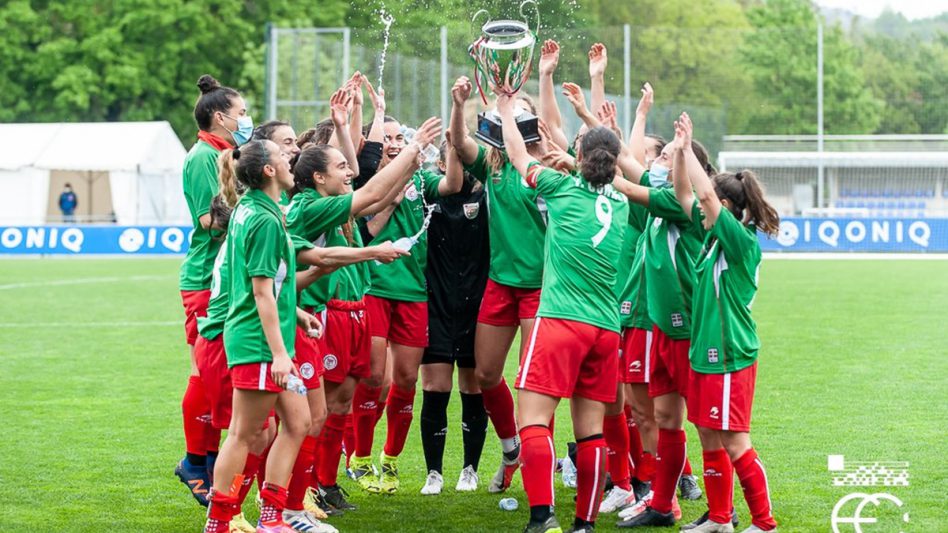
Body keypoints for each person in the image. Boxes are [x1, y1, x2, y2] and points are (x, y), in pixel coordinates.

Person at [287, 111, 448, 502]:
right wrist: (413, 147)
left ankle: (322, 483)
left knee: (338, 404)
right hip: (319, 315)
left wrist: (359, 125)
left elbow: (370, 189)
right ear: (319, 177)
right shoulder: (310, 206)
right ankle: (293, 495)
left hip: (346, 310)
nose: (352, 170)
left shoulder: (331, 201)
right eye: (342, 165)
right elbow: (374, 195)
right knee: (306, 415)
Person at [498, 87, 630, 533]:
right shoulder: (623, 203)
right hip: (606, 329)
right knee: (591, 431)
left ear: (578, 154)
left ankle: (542, 518)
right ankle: (585, 524)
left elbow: (517, 153)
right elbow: (598, 171)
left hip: (560, 320)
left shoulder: (559, 187)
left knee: (532, 420)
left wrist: (503, 108)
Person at [610, 117, 719, 530]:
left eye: (670, 157)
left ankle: (723, 510)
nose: (660, 162)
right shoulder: (662, 198)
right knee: (665, 418)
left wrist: (584, 169)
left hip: (688, 332)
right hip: (660, 328)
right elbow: (628, 162)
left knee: (710, 425)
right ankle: (663, 502)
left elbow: (623, 179)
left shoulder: (680, 205)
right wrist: (595, 120)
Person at [348, 112, 462, 495]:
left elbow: (452, 184)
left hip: (414, 292)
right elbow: (370, 232)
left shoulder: (421, 179)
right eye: (389, 138)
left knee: (407, 379)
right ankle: (360, 457)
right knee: (374, 376)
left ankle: (390, 459)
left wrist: (455, 145)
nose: (395, 143)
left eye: (401, 137)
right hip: (375, 287)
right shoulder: (366, 184)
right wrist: (392, 199)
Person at [676, 113, 780, 533]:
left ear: (729, 210)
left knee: (735, 440)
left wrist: (687, 148)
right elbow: (689, 196)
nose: (702, 211)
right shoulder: (710, 240)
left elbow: (703, 196)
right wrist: (681, 159)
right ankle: (720, 518)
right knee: (708, 435)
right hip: (704, 354)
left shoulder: (740, 241)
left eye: (712, 207)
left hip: (731, 355)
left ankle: (764, 523)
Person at [202, 139, 311, 533]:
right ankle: (218, 521)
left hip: (265, 339)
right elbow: (261, 290)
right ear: (268, 170)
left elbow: (263, 284)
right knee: (244, 434)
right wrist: (280, 354)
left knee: (298, 422)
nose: (290, 158)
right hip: (258, 344)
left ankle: (272, 515)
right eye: (283, 155)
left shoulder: (254, 209)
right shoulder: (263, 218)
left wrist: (295, 314)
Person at [448, 76, 548, 494]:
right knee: (486, 374)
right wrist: (459, 105)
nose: (510, 116)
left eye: (519, 110)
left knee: (533, 381)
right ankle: (512, 451)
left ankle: (537, 464)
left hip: (541, 286)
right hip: (500, 283)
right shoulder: (491, 167)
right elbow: (458, 142)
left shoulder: (542, 168)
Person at [176, 74, 252, 506]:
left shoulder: (226, 152)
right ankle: (195, 463)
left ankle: (206, 460)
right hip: (206, 278)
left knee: (219, 376)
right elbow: (211, 221)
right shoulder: (203, 157)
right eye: (241, 114)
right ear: (220, 117)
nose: (246, 120)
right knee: (205, 373)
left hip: (227, 278)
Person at [417, 141, 490, 495]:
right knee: (434, 387)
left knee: (472, 386)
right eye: (451, 157)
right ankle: (434, 473)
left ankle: (470, 469)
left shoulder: (489, 196)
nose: (457, 164)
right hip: (436, 301)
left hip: (477, 302)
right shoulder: (429, 195)